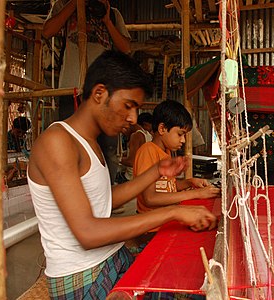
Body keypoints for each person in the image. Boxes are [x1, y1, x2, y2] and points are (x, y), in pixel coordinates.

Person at [27, 51, 217, 299]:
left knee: (182, 282)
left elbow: (104, 199)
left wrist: (157, 171)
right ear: (99, 94)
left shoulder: (90, 142)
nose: (133, 118)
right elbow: (88, 233)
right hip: (82, 278)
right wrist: (173, 211)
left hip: (113, 258)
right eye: (128, 105)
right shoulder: (57, 141)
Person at [42, 0, 131, 120]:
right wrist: (75, 3)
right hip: (71, 87)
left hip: (103, 90)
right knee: (70, 135)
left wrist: (107, 21)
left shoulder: (113, 14)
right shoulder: (63, 5)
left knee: (103, 137)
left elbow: (126, 48)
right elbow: (47, 32)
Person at [134, 100, 220, 216]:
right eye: (180, 134)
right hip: (151, 227)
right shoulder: (148, 151)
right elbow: (150, 198)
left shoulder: (166, 152)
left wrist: (189, 182)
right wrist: (196, 194)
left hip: (164, 218)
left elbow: (168, 186)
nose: (183, 140)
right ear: (162, 129)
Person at [119, 112, 153, 182]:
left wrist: (116, 159)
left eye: (124, 128)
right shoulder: (148, 135)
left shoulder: (136, 135)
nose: (123, 132)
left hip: (131, 177)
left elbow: (132, 162)